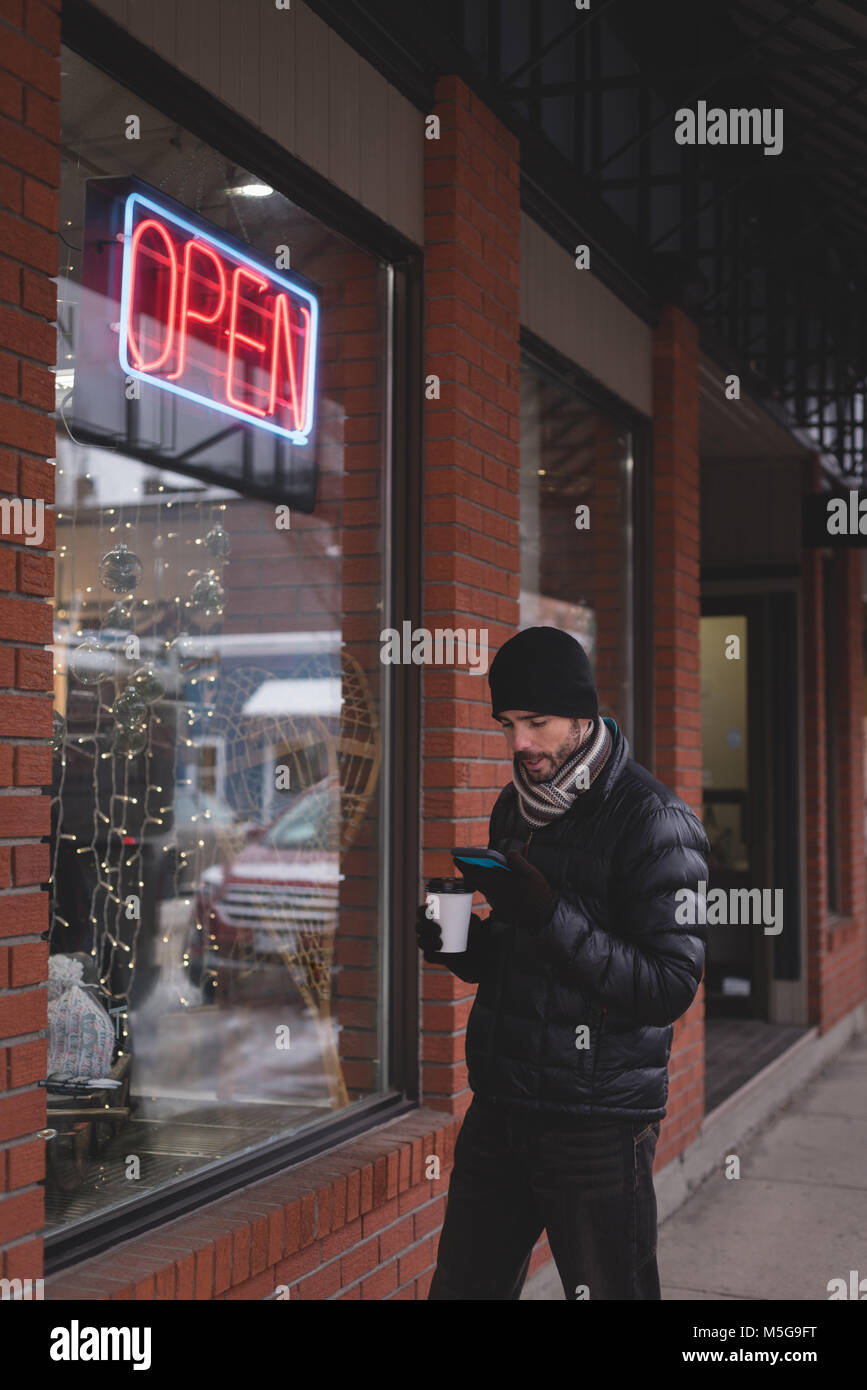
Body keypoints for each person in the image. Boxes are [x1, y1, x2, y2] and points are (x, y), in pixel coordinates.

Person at [417, 626, 710, 1300]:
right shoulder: (514, 810)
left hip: (596, 1124)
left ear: (582, 716)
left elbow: (668, 987)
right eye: (508, 724)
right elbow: (522, 964)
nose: (519, 743)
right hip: (500, 1107)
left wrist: (550, 913)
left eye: (536, 722)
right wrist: (460, 946)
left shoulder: (656, 821)